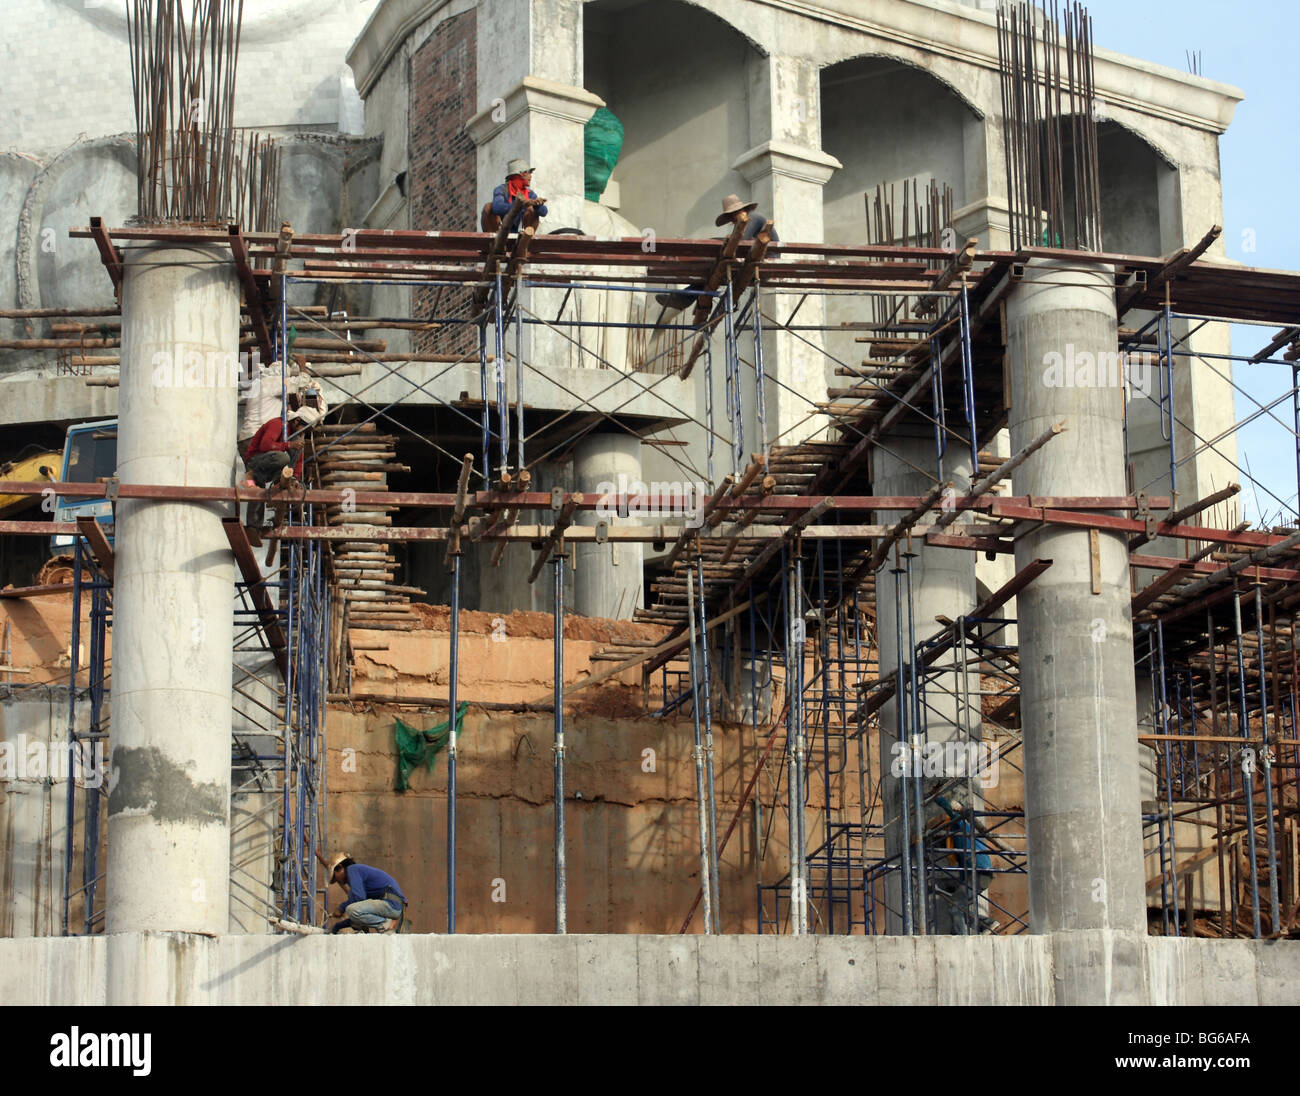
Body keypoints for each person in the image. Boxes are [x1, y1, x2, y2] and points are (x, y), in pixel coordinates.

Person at [655, 194, 780, 312]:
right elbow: (737, 243)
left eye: (732, 215)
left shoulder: (753, 218)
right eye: (730, 216)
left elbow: (739, 242)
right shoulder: (746, 222)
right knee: (713, 271)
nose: (732, 219)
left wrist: (714, 241)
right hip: (754, 261)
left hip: (765, 261)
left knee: (713, 267)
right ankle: (683, 298)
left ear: (741, 211)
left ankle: (683, 299)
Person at [928, 790, 997, 935]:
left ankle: (963, 937)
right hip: (979, 873)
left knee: (955, 906)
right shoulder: (959, 844)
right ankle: (986, 924)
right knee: (960, 907)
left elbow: (953, 813)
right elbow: (962, 869)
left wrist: (937, 798)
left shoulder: (961, 826)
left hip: (979, 871)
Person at [327, 852, 408, 933]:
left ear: (340, 868)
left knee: (351, 909)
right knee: (354, 912)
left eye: (335, 877)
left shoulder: (352, 869)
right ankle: (384, 925)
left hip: (391, 904)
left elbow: (358, 899)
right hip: (393, 905)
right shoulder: (358, 879)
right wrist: (338, 926)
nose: (338, 881)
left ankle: (385, 924)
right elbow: (357, 916)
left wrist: (341, 908)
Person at [483, 159, 548, 233]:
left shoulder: (530, 194)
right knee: (488, 207)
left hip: (521, 230)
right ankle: (493, 236)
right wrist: (521, 205)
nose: (531, 176)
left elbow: (544, 212)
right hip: (502, 230)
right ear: (520, 175)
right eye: (528, 173)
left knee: (531, 209)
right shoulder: (501, 190)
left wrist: (537, 205)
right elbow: (497, 208)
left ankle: (526, 234)